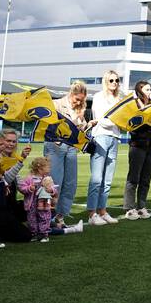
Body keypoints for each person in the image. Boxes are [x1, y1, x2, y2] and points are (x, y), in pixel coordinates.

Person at [86, 69, 125, 226]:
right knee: (96, 179)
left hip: (115, 139)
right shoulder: (98, 97)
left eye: (116, 80)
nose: (114, 83)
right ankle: (92, 213)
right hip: (100, 137)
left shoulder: (119, 99)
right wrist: (118, 121)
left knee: (107, 180)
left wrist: (118, 122)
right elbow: (102, 120)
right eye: (111, 80)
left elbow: (122, 120)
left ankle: (102, 210)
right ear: (106, 81)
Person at [48, 81, 89, 229]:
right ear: (71, 94)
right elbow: (47, 124)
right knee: (54, 183)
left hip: (72, 148)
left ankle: (60, 216)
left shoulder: (80, 109)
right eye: (77, 99)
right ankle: (48, 217)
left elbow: (81, 130)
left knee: (70, 184)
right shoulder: (56, 104)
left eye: (81, 100)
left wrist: (86, 123)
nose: (78, 102)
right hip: (55, 146)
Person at [123, 80, 151, 219]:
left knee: (146, 178)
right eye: (147, 89)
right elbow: (129, 124)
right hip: (137, 145)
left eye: (150, 89)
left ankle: (141, 206)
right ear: (140, 90)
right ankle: (129, 208)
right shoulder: (133, 105)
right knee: (133, 177)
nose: (149, 91)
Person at [18, 156, 58, 242]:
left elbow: (54, 189)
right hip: (31, 204)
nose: (49, 168)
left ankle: (44, 234)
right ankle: (34, 233)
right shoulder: (29, 178)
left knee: (45, 217)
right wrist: (29, 188)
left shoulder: (47, 179)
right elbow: (21, 188)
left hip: (44, 203)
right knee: (31, 218)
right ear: (40, 168)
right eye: (48, 167)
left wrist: (51, 190)